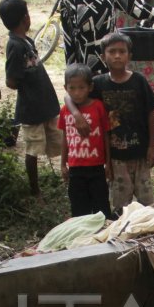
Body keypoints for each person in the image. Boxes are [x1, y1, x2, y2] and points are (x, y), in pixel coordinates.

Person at [0, 0, 62, 200]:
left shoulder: (26, 40)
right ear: (25, 18)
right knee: (33, 147)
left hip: (44, 102)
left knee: (57, 138)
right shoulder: (15, 45)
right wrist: (27, 82)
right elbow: (11, 80)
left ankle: (64, 172)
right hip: (31, 106)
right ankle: (34, 189)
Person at [95, 32, 154, 212]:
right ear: (103, 56)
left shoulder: (139, 81)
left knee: (146, 201)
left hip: (140, 153)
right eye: (112, 51)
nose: (117, 55)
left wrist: (152, 147)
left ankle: (146, 231)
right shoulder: (98, 84)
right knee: (120, 204)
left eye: (122, 52)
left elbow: (150, 114)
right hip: (115, 157)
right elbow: (74, 97)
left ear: (129, 56)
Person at [60, 64, 112, 219]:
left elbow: (106, 135)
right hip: (75, 169)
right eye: (72, 88)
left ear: (90, 87)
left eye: (81, 87)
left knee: (101, 209)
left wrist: (108, 163)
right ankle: (83, 241)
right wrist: (63, 163)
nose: (77, 93)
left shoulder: (98, 107)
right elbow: (65, 137)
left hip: (96, 168)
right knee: (79, 210)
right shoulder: (64, 110)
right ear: (65, 88)